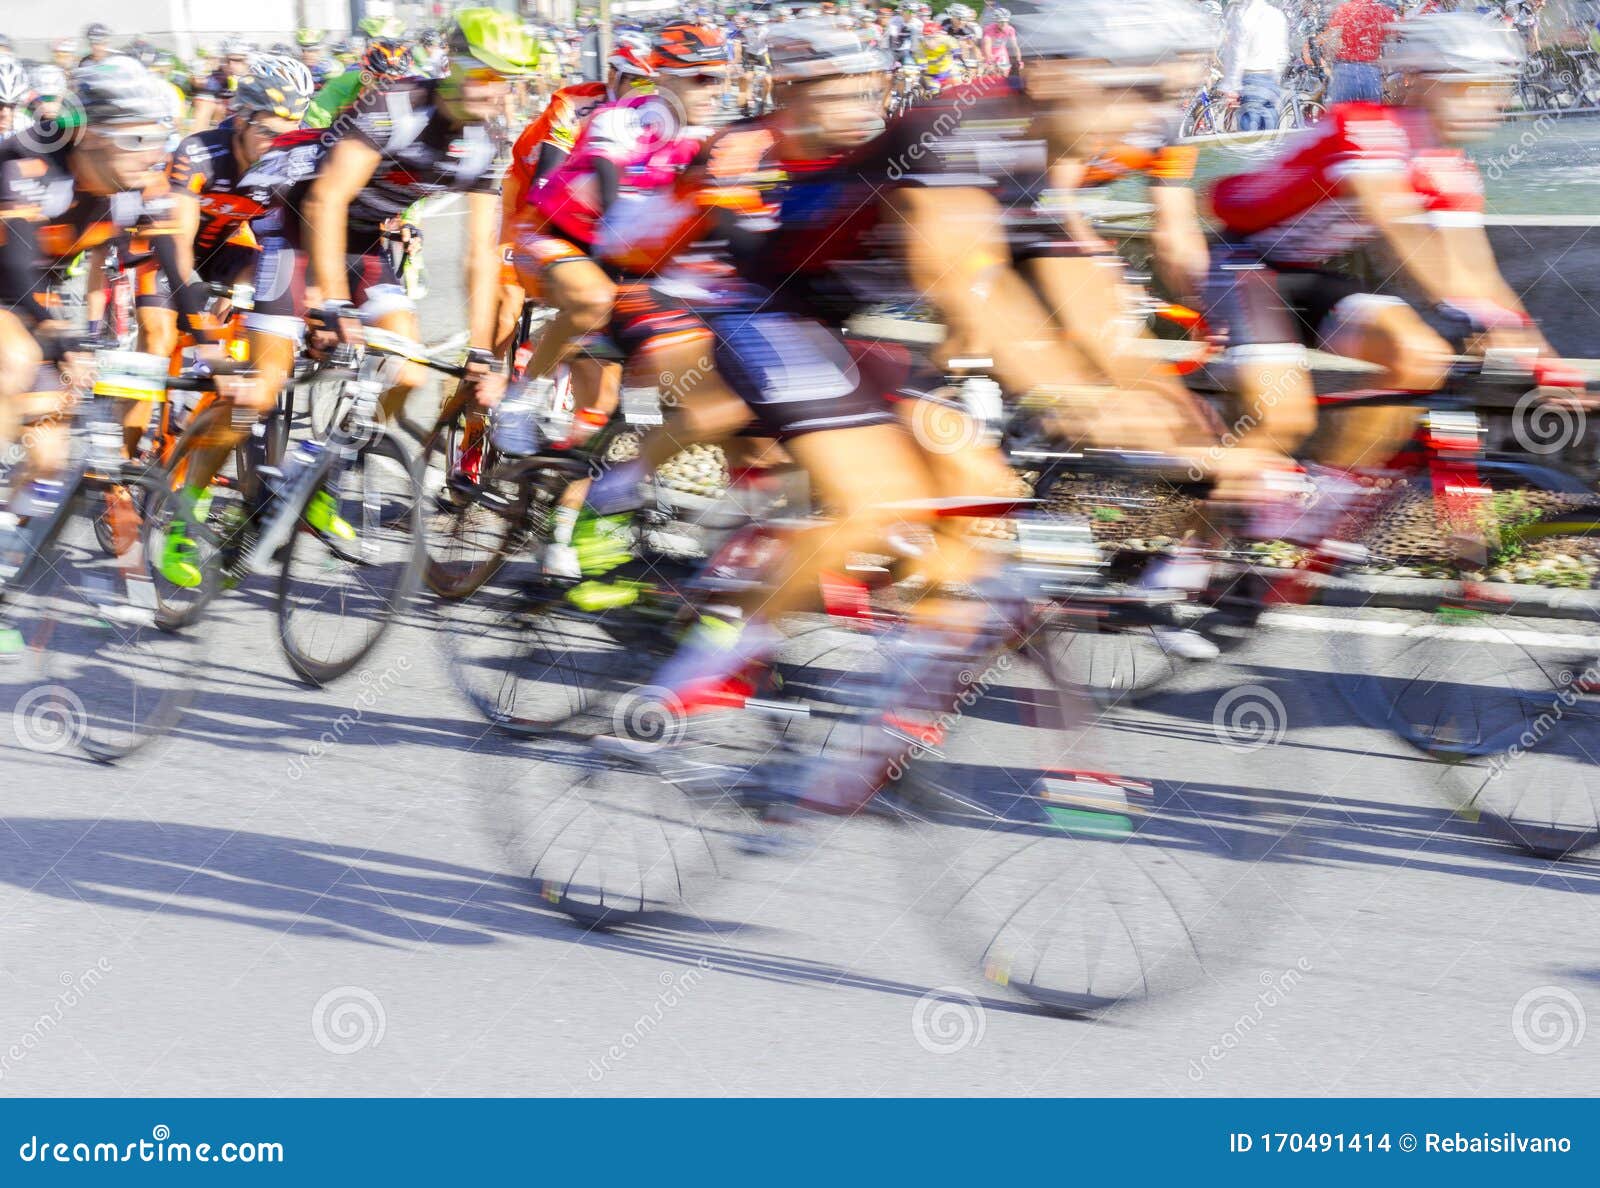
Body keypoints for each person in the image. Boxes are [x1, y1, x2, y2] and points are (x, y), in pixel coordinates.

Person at [1205, 12, 1548, 543]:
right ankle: (1183, 564)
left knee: (1419, 357)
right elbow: (1401, 235)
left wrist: (1542, 357)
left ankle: (1327, 500)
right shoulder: (1363, 129)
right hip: (1242, 265)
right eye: (1473, 86)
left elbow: (1475, 269)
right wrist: (1484, 316)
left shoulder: (1449, 166)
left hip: (1304, 275)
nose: (1492, 101)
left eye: (1498, 88)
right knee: (1282, 422)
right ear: (1417, 81)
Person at [1219, 0, 1291, 130]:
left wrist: (1232, 85)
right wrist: (1276, 76)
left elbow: (1238, 53)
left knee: (1250, 140)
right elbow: (1283, 54)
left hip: (1250, 77)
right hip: (1270, 79)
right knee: (1270, 136)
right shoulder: (1277, 15)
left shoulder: (1244, 15)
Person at [1322, 0, 1396, 102]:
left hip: (1344, 71)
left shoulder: (1345, 9)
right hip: (1371, 73)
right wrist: (1386, 75)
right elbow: (1391, 43)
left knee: (1337, 114)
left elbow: (1332, 40)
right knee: (1371, 114)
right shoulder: (1383, 11)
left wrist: (1328, 64)